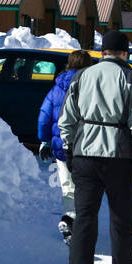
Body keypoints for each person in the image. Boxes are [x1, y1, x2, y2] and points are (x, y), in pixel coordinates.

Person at [58, 30, 132, 264]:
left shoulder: (82, 76)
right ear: (124, 53)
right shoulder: (130, 78)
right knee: (122, 216)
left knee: (85, 221)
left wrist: (69, 149)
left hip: (84, 157)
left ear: (103, 52)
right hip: (119, 157)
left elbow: (67, 119)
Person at [38, 49, 93, 245]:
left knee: (68, 187)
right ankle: (78, 223)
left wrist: (44, 140)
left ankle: (69, 220)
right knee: (86, 188)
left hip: (61, 146)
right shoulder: (90, 86)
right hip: (86, 146)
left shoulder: (56, 88)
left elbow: (44, 116)